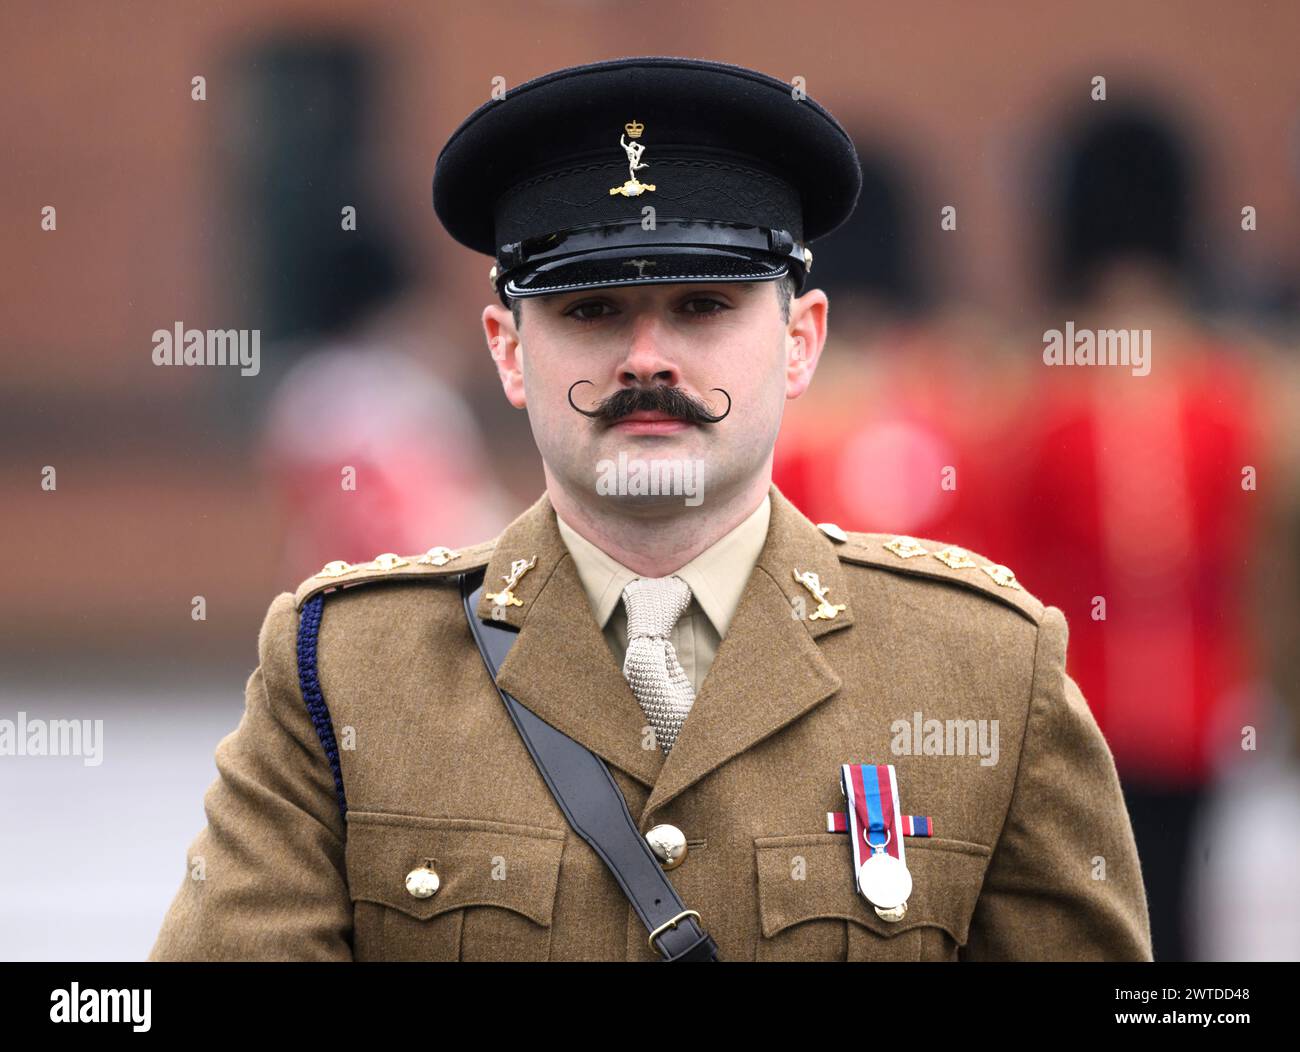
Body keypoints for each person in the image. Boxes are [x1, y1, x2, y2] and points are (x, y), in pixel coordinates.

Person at [148, 56, 1152, 962]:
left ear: (801, 340)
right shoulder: (341, 677)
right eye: (589, 310)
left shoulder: (984, 670)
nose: (646, 357)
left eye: (703, 306)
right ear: (506, 348)